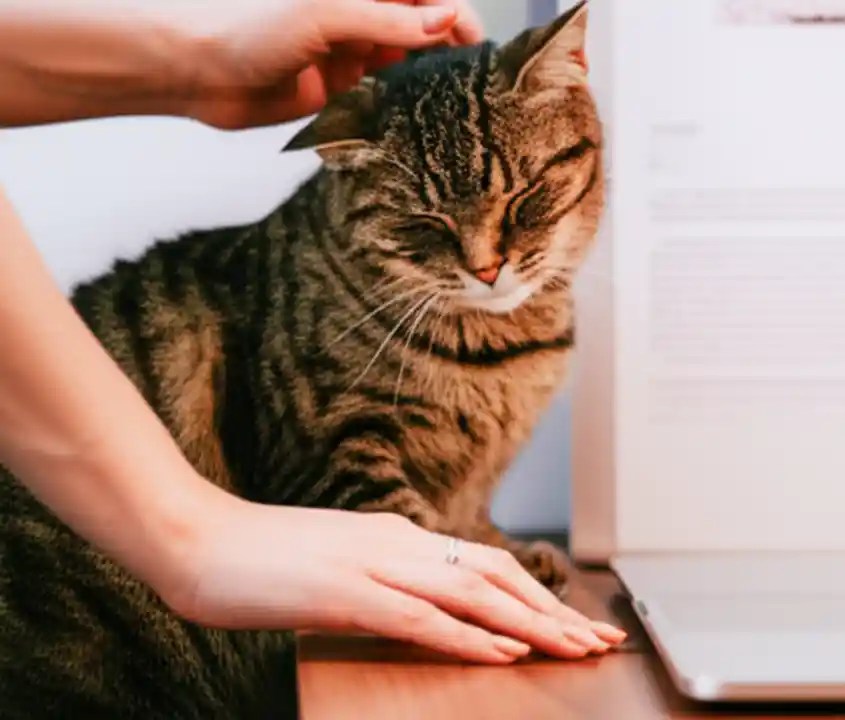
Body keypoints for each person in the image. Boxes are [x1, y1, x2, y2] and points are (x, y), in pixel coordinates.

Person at [0, 0, 625, 665]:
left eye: (525, 206)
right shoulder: (332, 300)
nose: (484, 264)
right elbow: (326, 482)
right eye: (425, 228)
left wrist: (206, 64)